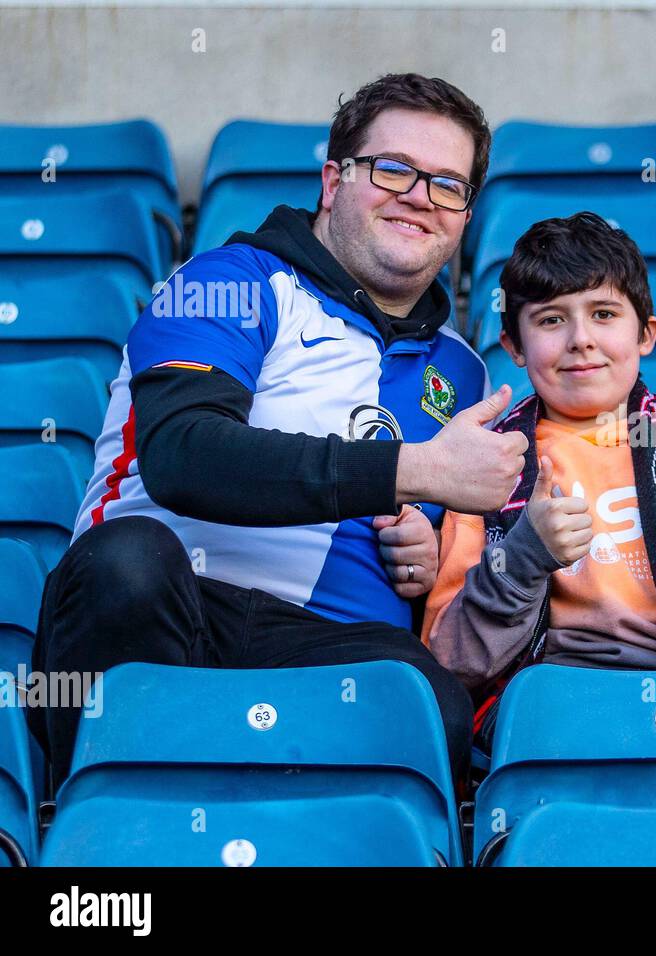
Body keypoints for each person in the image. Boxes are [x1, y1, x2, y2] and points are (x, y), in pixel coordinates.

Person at [30, 73, 530, 785]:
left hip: (331, 645)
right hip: (173, 606)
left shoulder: (462, 371)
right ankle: (118, 823)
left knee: (430, 705)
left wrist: (428, 556)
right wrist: (410, 470)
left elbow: (444, 563)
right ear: (333, 181)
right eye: (394, 170)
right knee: (128, 563)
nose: (420, 196)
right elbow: (182, 457)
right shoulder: (227, 282)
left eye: (447, 185)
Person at [425, 213, 656, 739]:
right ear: (513, 346)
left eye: (603, 314)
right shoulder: (487, 463)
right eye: (551, 320)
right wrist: (525, 555)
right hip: (549, 706)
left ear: (645, 333)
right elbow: (456, 656)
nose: (581, 339)